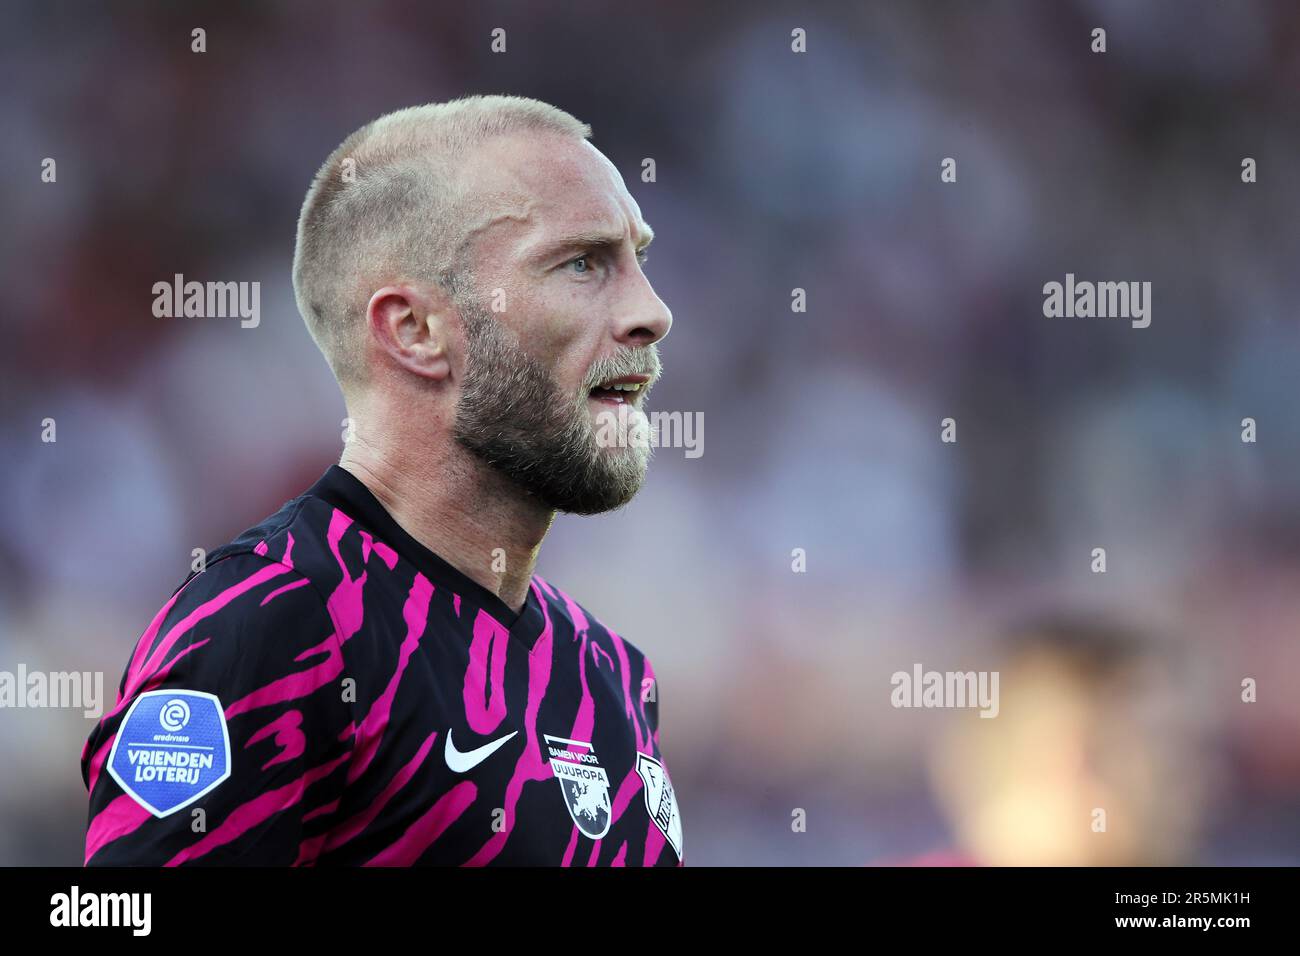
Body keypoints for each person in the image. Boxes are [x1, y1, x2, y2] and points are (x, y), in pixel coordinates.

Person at [81, 95, 682, 866]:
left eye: (639, 258)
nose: (653, 311)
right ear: (415, 331)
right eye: (582, 263)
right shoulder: (273, 627)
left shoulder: (609, 674)